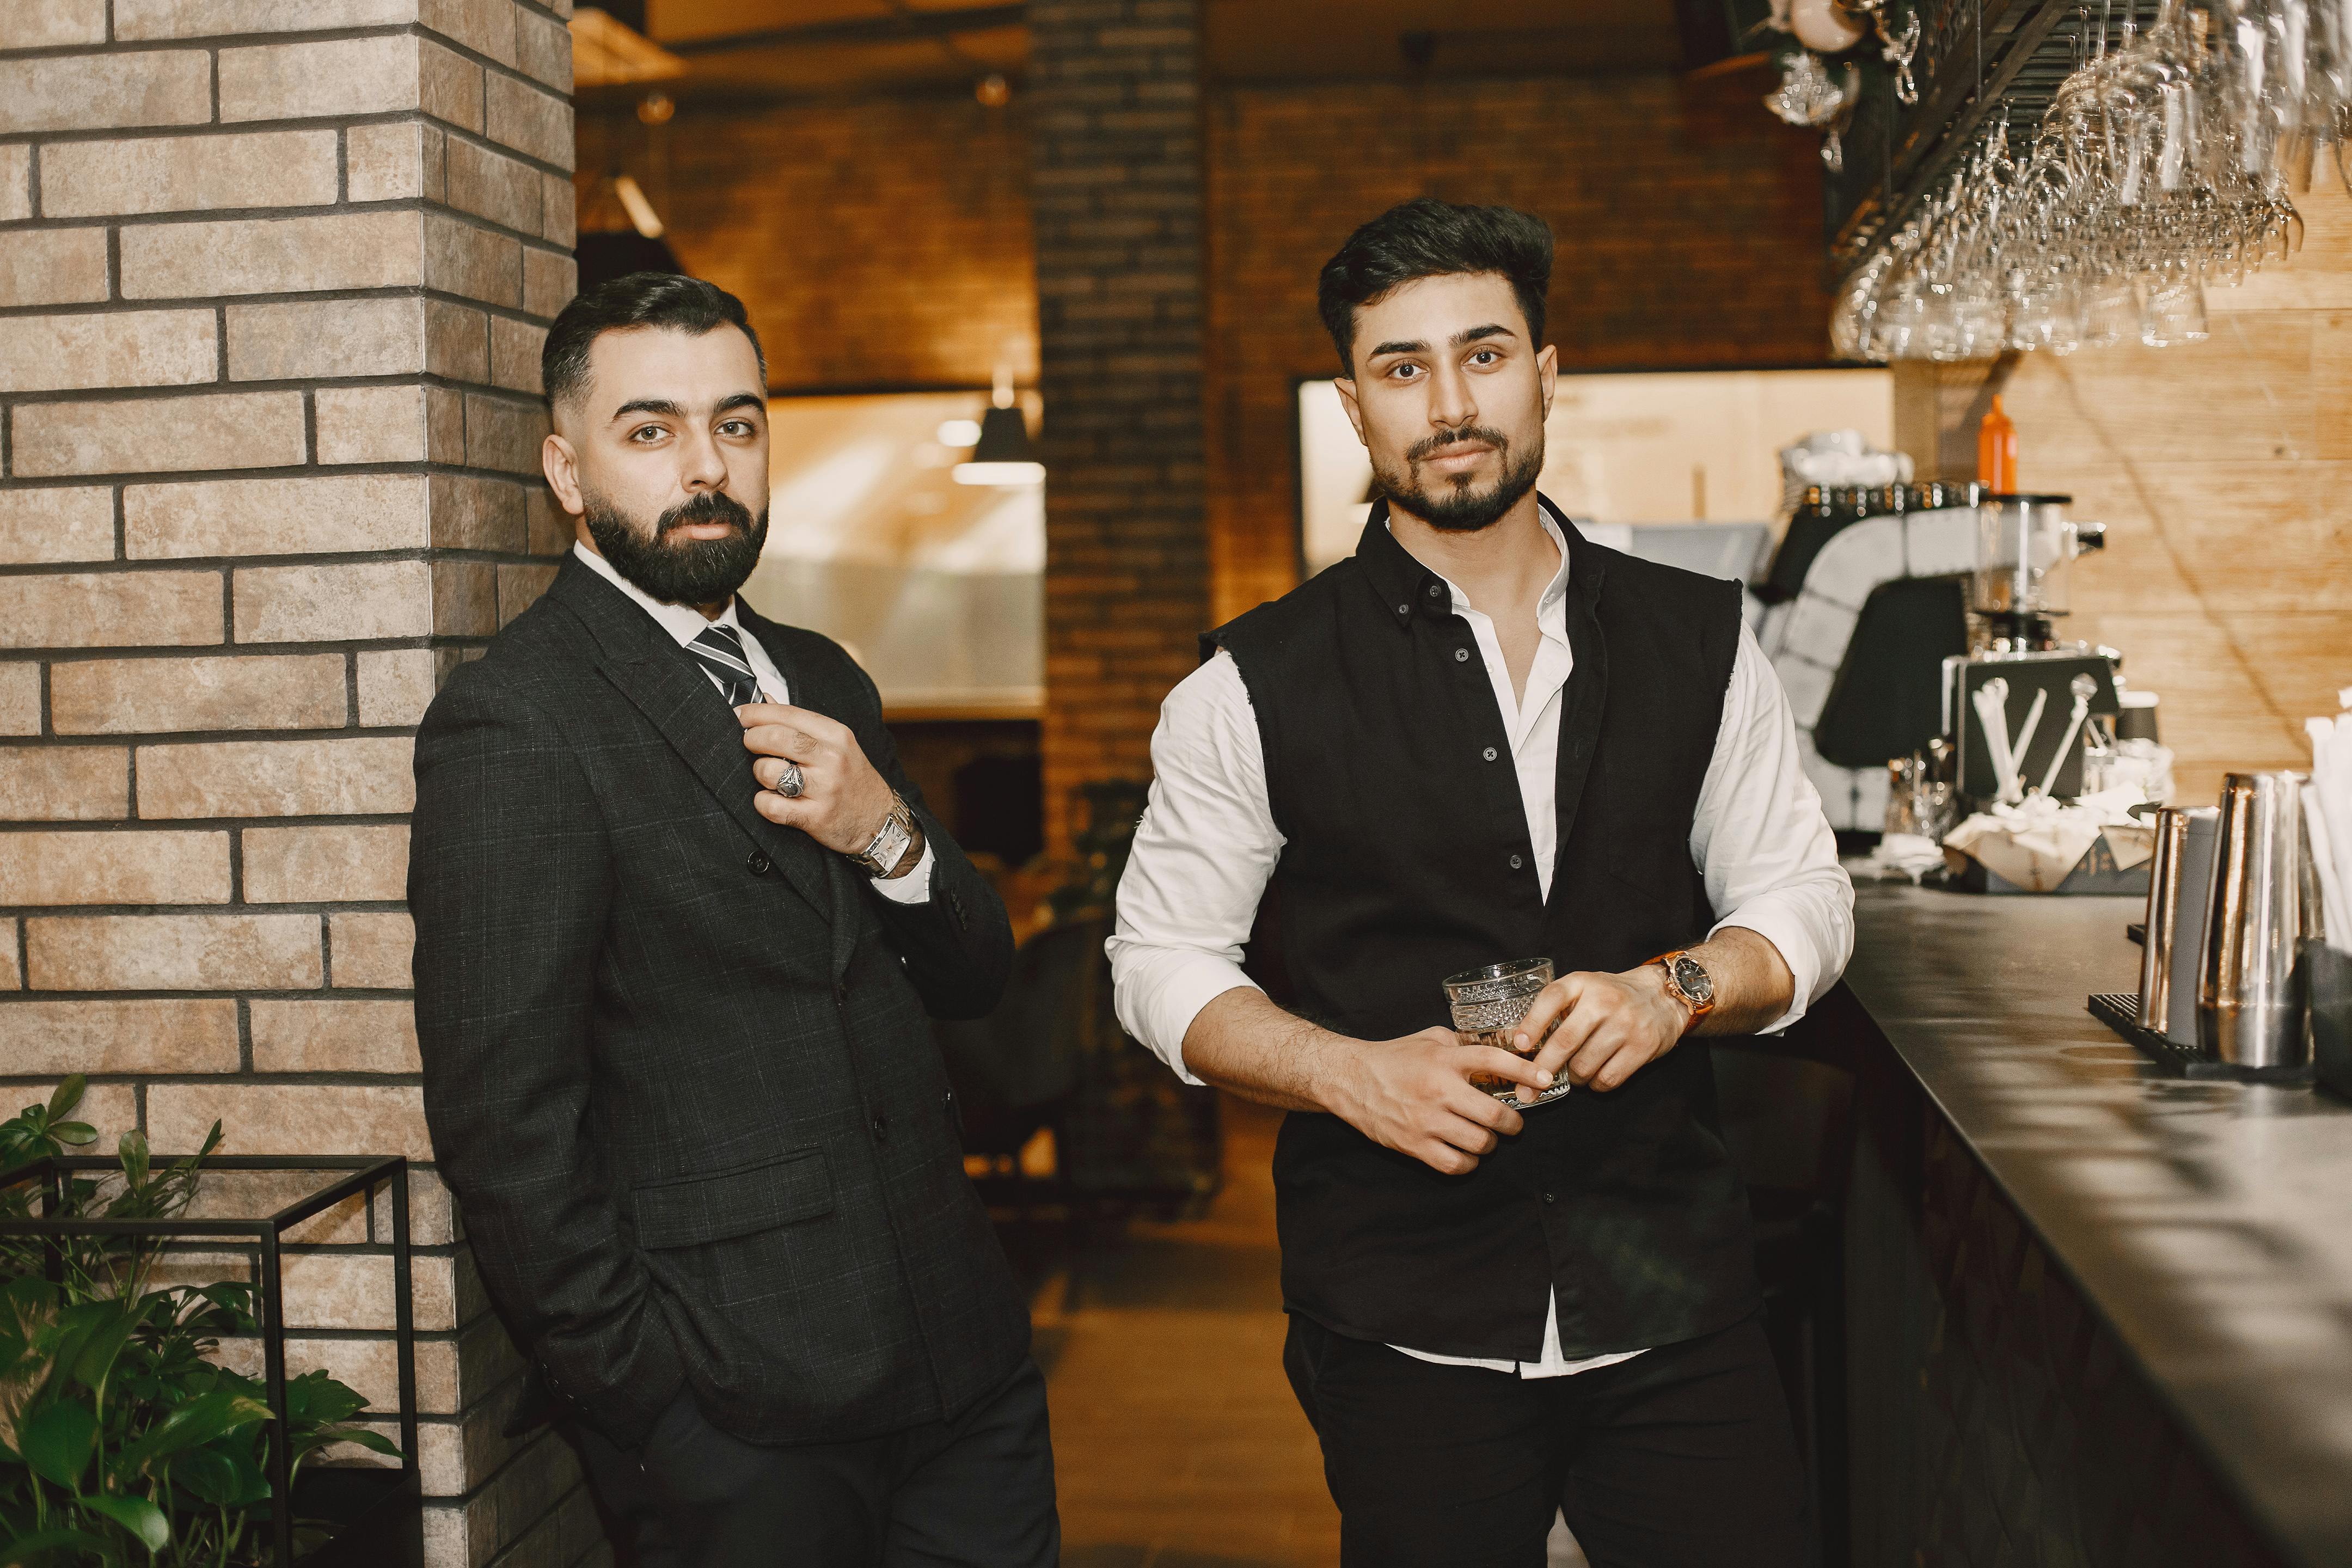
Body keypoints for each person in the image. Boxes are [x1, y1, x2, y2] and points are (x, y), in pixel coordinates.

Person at [1108, 200, 1854, 1567]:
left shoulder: (1698, 640)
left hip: (1671, 1289)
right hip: (1401, 1312)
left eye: (1485, 354)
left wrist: (1676, 990)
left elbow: (1802, 895)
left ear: (1547, 372)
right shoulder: (1244, 687)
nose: (1451, 404)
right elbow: (1159, 966)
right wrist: (1348, 1073)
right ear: (1353, 404)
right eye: (1403, 368)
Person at [410, 272, 1058, 1568]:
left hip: (959, 1357)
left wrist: (886, 828)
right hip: (735, 1403)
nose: (707, 467)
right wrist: (646, 1395)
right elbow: (505, 1116)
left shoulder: (825, 674)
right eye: (651, 431)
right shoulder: (519, 721)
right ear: (568, 467)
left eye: (739, 424)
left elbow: (978, 971)